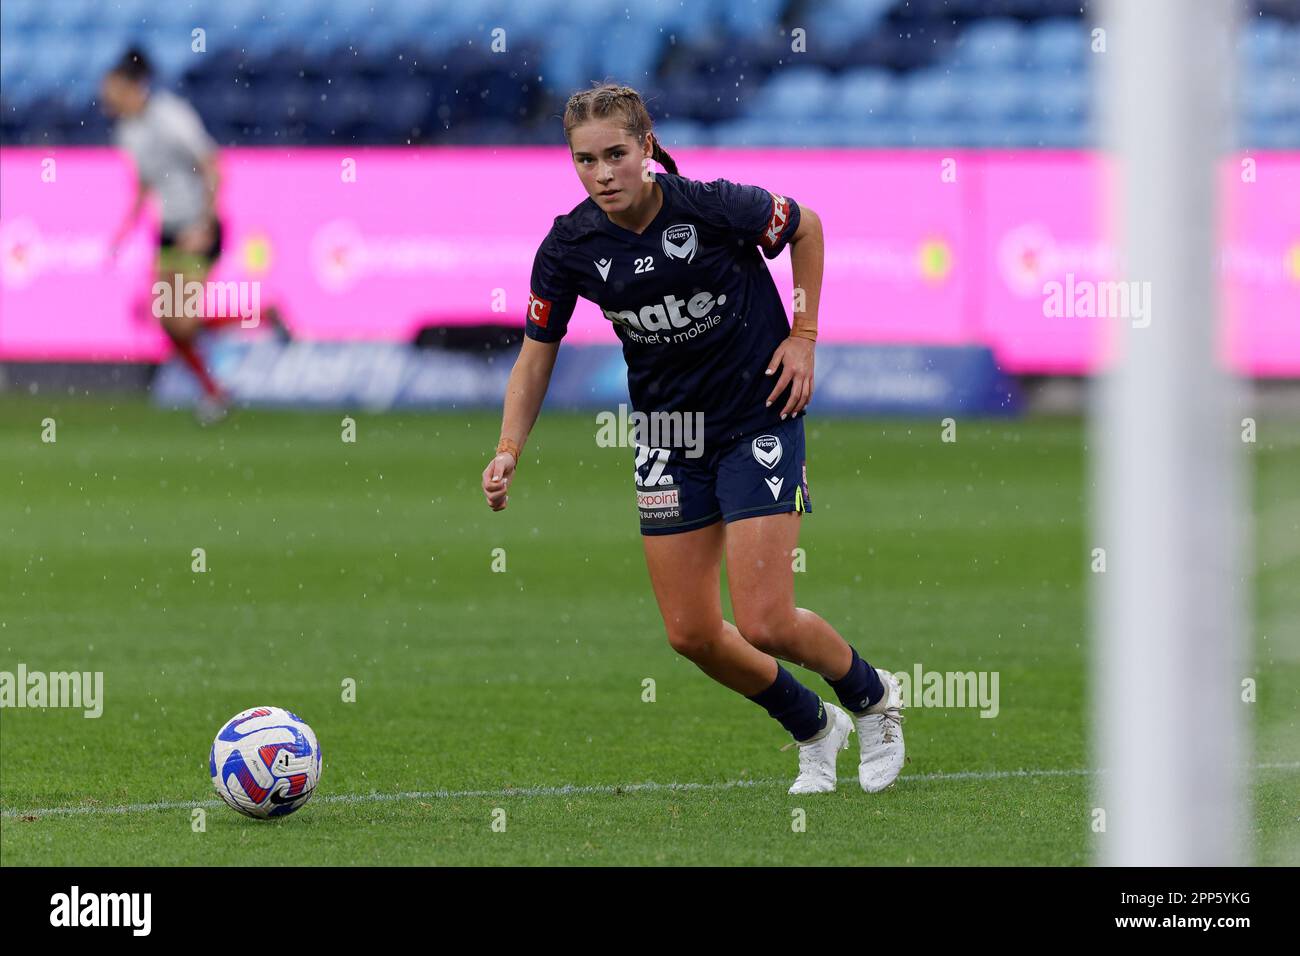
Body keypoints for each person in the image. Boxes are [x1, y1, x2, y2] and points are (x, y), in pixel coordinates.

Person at [481, 83, 904, 794]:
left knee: (765, 620)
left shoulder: (710, 206)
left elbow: (807, 226)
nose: (602, 173)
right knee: (692, 634)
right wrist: (508, 449)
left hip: (756, 416)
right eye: (585, 160)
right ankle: (812, 725)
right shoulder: (571, 245)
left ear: (647, 148)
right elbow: (534, 354)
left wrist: (803, 335)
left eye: (616, 154)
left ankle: (874, 700)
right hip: (668, 435)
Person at [102, 47, 285, 424]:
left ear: (132, 86)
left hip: (198, 229)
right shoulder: (126, 131)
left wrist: (206, 222)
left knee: (181, 321)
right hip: (167, 232)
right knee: (170, 320)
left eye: (112, 89)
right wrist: (124, 229)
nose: (106, 97)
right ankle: (220, 380)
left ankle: (252, 325)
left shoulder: (171, 117)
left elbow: (212, 165)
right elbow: (144, 184)